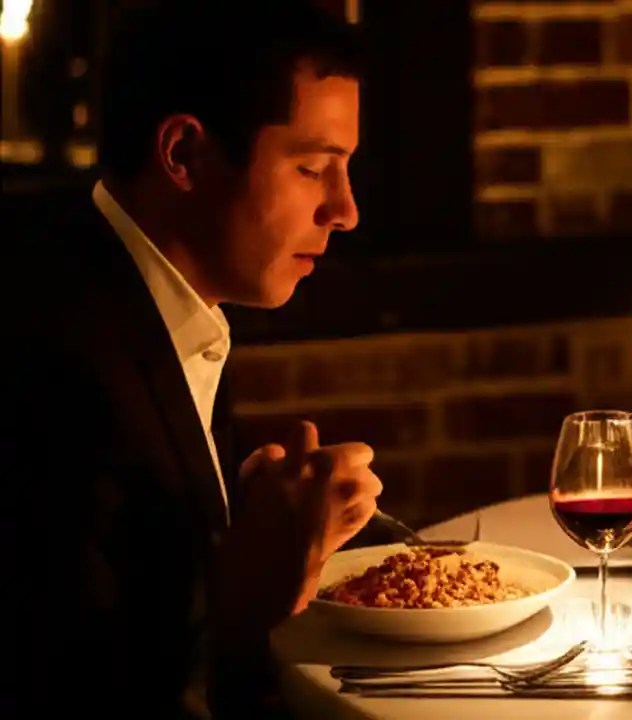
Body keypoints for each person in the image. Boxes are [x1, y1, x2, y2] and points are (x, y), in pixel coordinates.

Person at [3, 2, 382, 717]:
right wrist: (252, 599)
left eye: (347, 169)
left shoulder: (165, 301)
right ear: (183, 154)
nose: (344, 209)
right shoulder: (53, 366)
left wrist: (282, 541)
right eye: (311, 168)